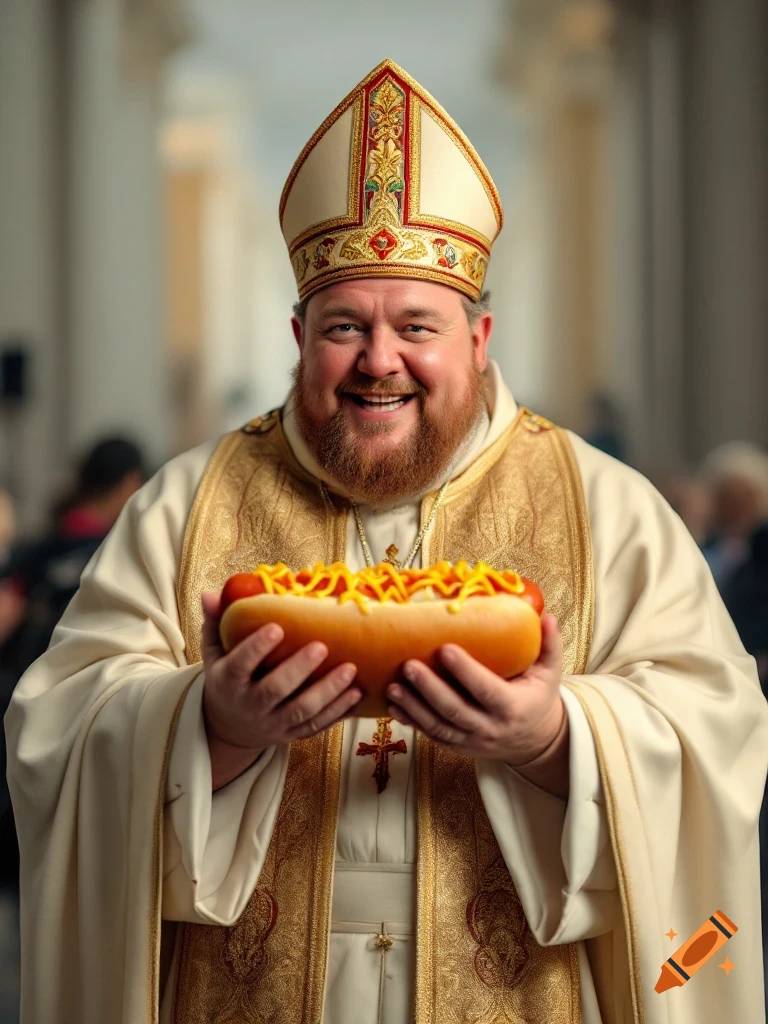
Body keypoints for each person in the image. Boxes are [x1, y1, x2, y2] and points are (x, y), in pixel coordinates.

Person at [5, 59, 768, 1024]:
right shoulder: (186, 505)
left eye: (418, 325)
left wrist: (555, 739)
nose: (379, 361)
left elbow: (723, 738)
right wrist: (211, 725)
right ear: (297, 335)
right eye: (343, 327)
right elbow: (52, 737)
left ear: (480, 338)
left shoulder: (604, 507)